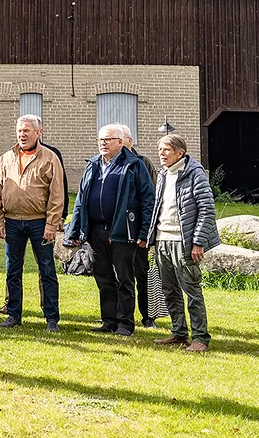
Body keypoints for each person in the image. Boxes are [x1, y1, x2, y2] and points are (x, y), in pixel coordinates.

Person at [65, 123, 155, 336]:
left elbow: (148, 199)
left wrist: (144, 233)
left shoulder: (134, 165)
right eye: (100, 140)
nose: (103, 143)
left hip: (123, 231)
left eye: (108, 140)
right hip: (96, 232)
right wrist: (75, 231)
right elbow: (81, 199)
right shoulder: (93, 164)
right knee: (103, 278)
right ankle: (109, 321)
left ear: (120, 142)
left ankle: (125, 324)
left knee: (124, 279)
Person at [0, 114, 65, 332]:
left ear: (38, 133)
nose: (22, 135)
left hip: (39, 223)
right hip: (13, 223)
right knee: (12, 270)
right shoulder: (6, 158)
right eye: (19, 131)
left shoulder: (50, 158)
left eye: (27, 131)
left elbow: (57, 195)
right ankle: (14, 314)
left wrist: (52, 225)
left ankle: (52, 318)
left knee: (47, 270)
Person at [148, 133, 220, 352]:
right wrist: (150, 238)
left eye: (166, 150)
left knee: (191, 290)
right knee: (169, 291)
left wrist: (198, 242)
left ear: (180, 152)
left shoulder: (195, 173)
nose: (161, 154)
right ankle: (179, 334)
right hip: (162, 240)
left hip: (184, 241)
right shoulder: (162, 174)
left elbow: (207, 210)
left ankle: (200, 338)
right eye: (160, 149)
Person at [118, 123, 159, 328]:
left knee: (141, 273)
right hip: (116, 232)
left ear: (129, 141)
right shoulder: (107, 162)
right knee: (119, 276)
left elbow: (150, 198)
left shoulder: (142, 163)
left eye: (120, 138)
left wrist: (147, 232)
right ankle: (121, 316)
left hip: (137, 230)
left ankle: (147, 315)